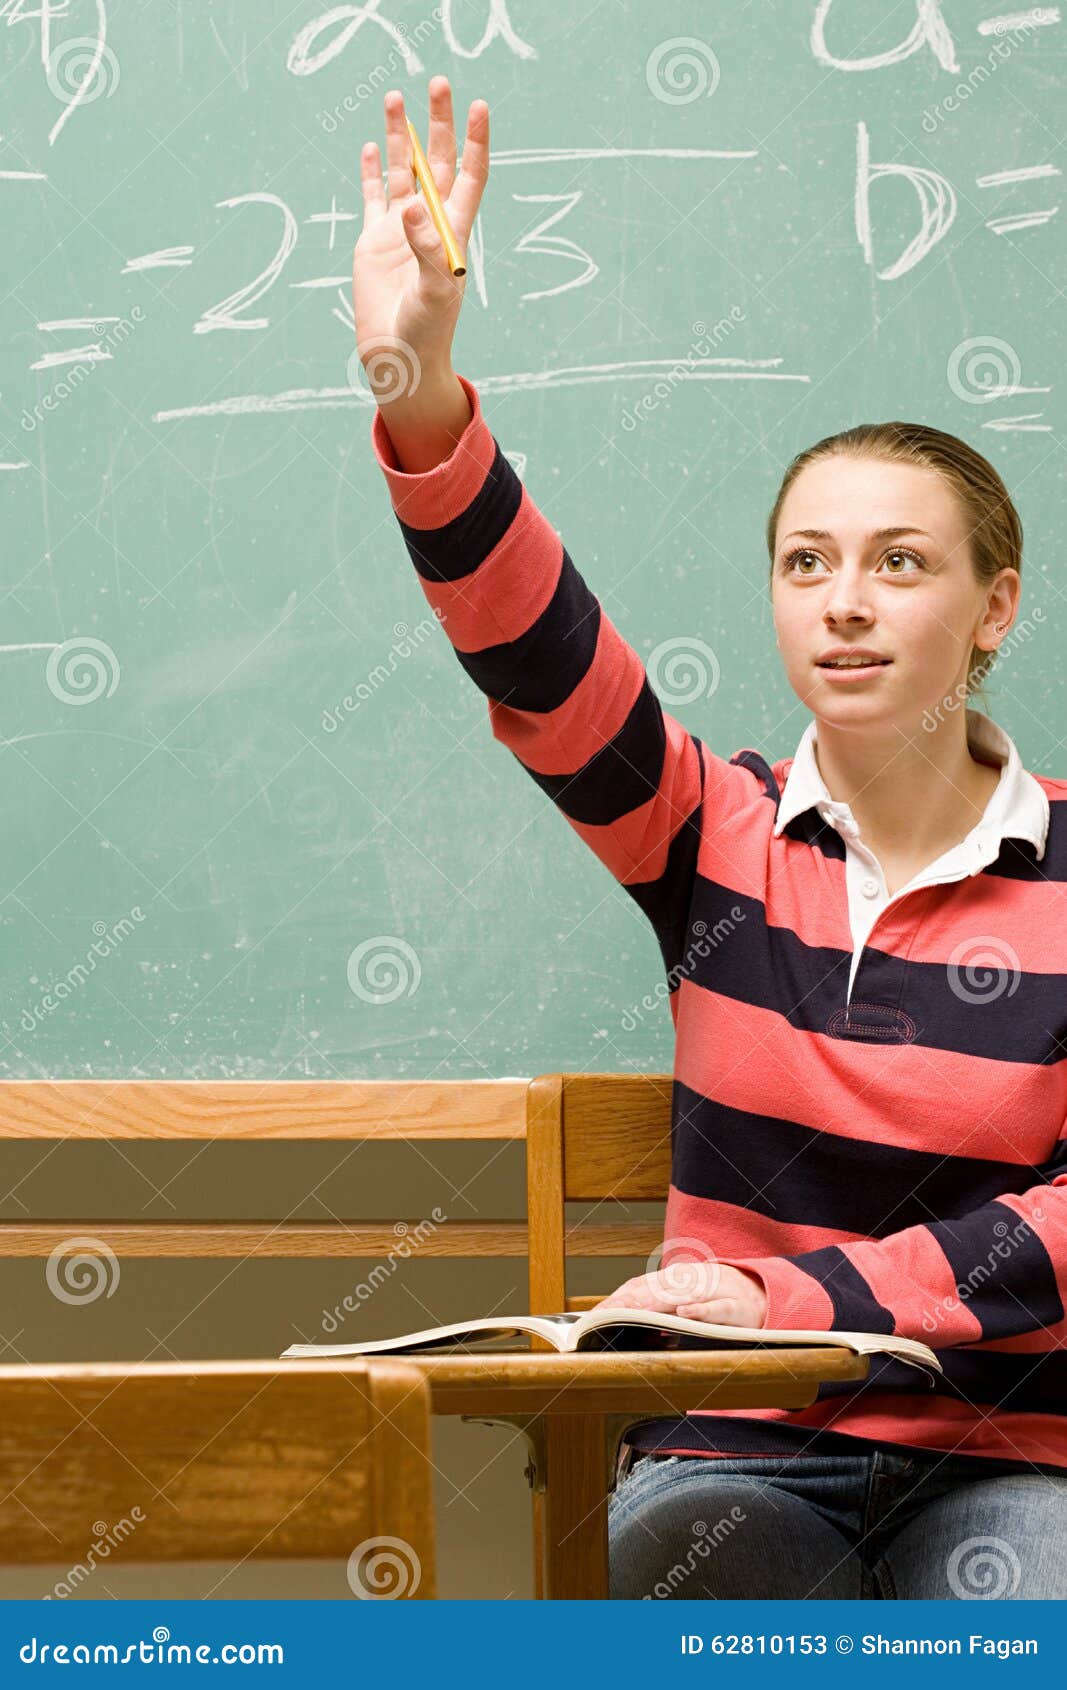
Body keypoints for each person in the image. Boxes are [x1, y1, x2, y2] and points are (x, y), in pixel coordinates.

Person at [354, 77, 1067, 1600]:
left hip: (1010, 1454)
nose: (846, 600)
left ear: (994, 607)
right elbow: (535, 651)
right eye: (807, 561)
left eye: (899, 562)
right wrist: (419, 382)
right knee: (680, 1592)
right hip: (731, 1455)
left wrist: (774, 1297)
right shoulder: (709, 832)